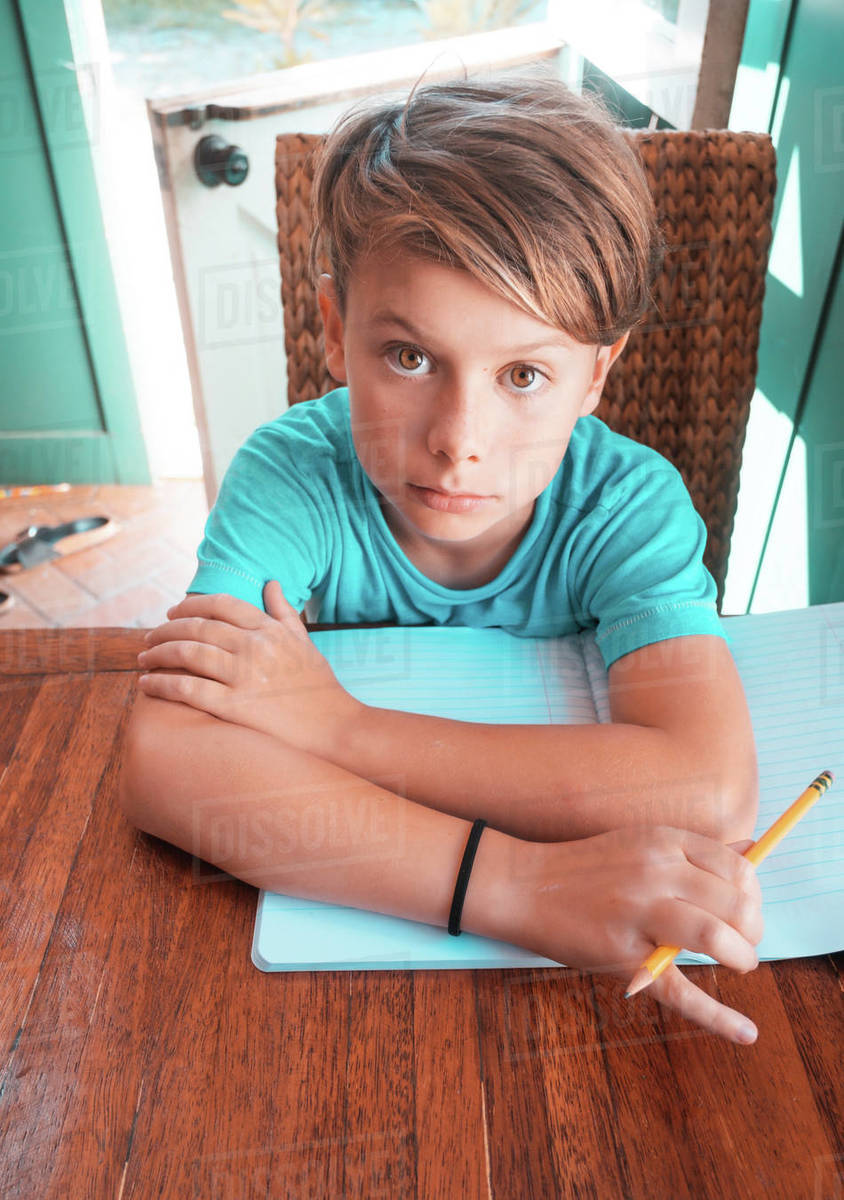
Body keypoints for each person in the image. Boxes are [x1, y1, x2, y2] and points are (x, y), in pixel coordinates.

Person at [120, 74, 762, 1045]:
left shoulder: (626, 505)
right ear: (336, 333)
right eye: (410, 358)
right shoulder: (293, 479)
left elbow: (707, 790)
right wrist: (515, 884)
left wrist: (336, 727)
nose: (460, 440)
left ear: (596, 373)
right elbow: (164, 756)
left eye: (522, 375)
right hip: (335, 1020)